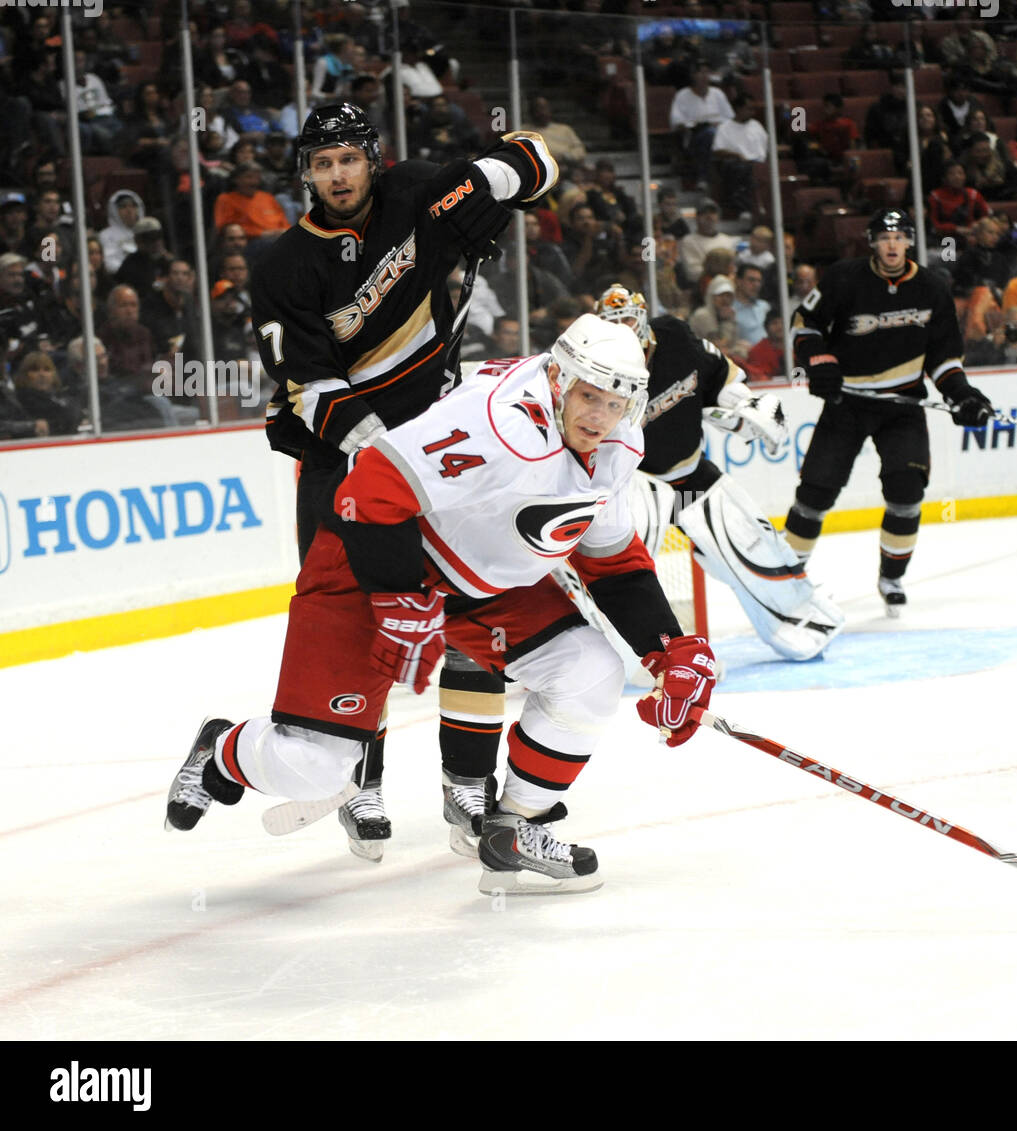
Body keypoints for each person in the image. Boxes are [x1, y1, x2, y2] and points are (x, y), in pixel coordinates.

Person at [166, 316, 718, 894]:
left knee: (591, 673)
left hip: (479, 582)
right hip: (368, 562)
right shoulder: (498, 425)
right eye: (587, 397)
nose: (598, 417)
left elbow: (609, 559)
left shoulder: (619, 442)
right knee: (312, 768)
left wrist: (667, 650)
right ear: (557, 377)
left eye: (613, 403)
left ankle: (511, 833)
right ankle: (222, 751)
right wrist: (400, 595)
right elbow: (366, 493)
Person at [248, 102, 559, 862]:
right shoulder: (284, 265)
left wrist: (493, 186)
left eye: (347, 159)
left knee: (474, 608)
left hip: (445, 446)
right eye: (321, 165)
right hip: (344, 464)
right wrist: (395, 461)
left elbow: (537, 160)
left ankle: (466, 781)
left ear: (372, 158)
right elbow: (310, 389)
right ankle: (361, 779)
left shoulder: (418, 193)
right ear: (307, 176)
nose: (336, 175)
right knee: (359, 622)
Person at [594, 284, 843, 660]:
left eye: (628, 319)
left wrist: (748, 408)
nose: (623, 330)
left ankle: (800, 622)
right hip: (633, 491)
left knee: (754, 545)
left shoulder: (674, 338)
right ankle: (622, 655)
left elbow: (718, 377)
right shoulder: (594, 371)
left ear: (643, 319)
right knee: (626, 577)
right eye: (613, 324)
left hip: (689, 479)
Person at [782, 209, 993, 616]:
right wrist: (820, 361)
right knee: (815, 492)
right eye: (884, 237)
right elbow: (805, 323)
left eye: (899, 237)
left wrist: (961, 394)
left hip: (903, 406)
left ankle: (891, 577)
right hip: (847, 403)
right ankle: (786, 577)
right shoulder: (845, 278)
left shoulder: (933, 287)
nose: (892, 244)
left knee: (907, 492)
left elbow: (944, 357)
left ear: (910, 242)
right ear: (872, 242)